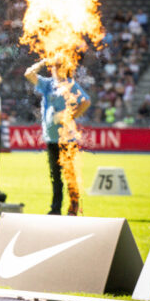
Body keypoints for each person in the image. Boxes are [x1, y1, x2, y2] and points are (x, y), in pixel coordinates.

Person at [25, 59, 91, 216]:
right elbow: (28, 73)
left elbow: (86, 101)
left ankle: (73, 207)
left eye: (59, 65)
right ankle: (55, 209)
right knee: (55, 176)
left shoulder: (70, 84)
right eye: (54, 65)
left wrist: (70, 116)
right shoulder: (47, 84)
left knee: (69, 175)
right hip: (51, 138)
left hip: (66, 139)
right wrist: (42, 62)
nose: (55, 68)